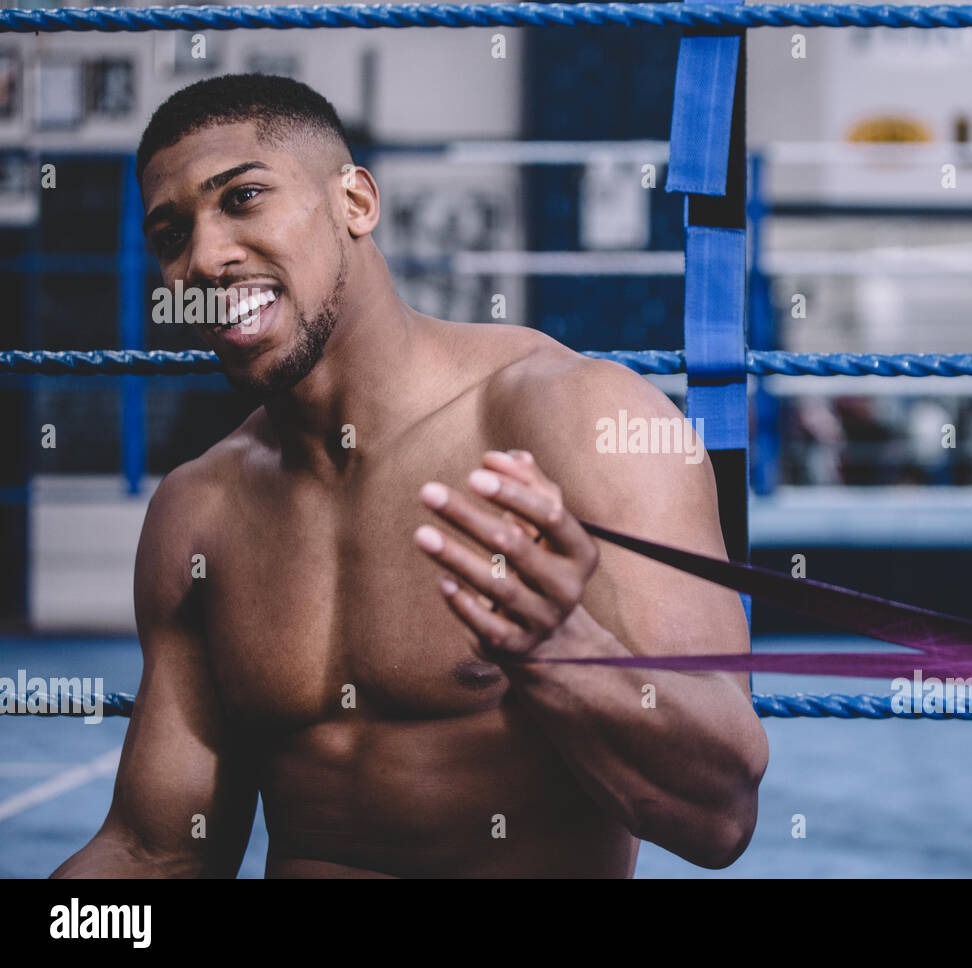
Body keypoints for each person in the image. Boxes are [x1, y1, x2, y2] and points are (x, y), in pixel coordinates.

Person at [52, 74, 766, 877]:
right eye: (171, 233)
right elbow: (157, 853)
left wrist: (562, 650)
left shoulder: (579, 421)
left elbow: (722, 815)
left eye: (244, 198)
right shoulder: (199, 512)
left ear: (356, 202)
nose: (206, 258)